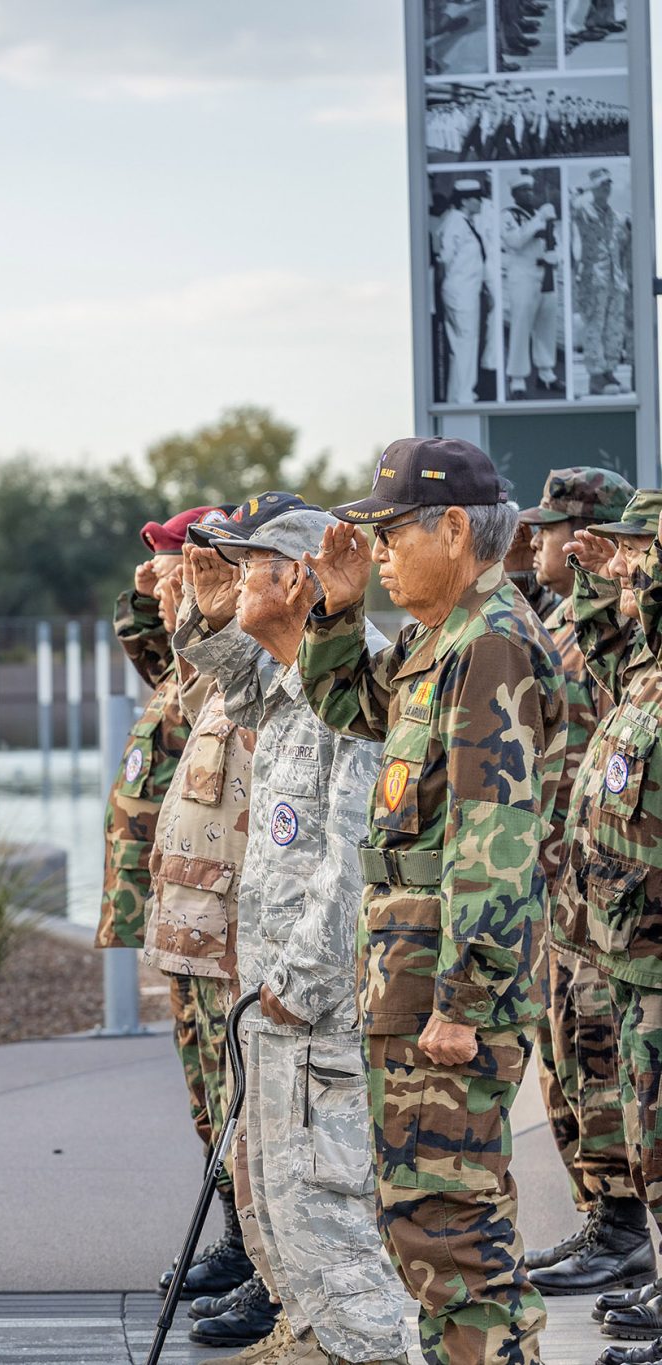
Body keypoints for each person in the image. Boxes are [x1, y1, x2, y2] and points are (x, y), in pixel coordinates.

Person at [302, 437, 565, 1365]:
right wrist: (338, 607)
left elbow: (495, 845)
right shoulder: (437, 637)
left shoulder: (491, 643)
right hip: (412, 985)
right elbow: (351, 706)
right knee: (424, 1229)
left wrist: (462, 1002)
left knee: (454, 1239)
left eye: (388, 533)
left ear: (453, 529)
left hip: (449, 996)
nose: (375, 550)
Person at [191, 503, 417, 1365]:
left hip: (314, 1002)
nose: (238, 579)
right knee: (279, 1200)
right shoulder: (296, 682)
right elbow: (235, 680)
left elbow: (357, 853)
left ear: (295, 579)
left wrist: (299, 983)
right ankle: (311, 1334)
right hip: (281, 1001)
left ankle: (361, 1348)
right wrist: (211, 608)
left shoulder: (351, 689)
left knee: (329, 1203)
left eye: (251, 567)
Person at [513, 469, 650, 1299]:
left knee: (603, 1059)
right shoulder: (553, 618)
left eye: (552, 527)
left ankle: (626, 1228)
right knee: (565, 1057)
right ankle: (602, 1215)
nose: (535, 540)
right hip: (566, 884)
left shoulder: (615, 628)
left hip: (608, 887)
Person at [104, 506, 244, 1299]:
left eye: (173, 568)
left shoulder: (224, 667)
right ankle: (234, 1235)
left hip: (215, 914)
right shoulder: (184, 671)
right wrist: (148, 593)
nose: (160, 586)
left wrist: (186, 589)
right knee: (206, 1090)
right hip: (185, 910)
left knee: (227, 1088)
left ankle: (244, 1244)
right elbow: (155, 648)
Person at [147, 509, 272, 1351]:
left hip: (241, 932)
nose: (176, 583)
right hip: (198, 929)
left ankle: (269, 1270)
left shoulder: (274, 672)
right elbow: (176, 678)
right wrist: (187, 600)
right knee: (221, 1107)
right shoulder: (221, 674)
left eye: (213, 569)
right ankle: (247, 1251)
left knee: (253, 1111)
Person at [556, 492, 662, 1362]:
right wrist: (604, 580)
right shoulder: (647, 668)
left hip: (655, 949)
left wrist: (629, 575)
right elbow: (610, 642)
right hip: (626, 944)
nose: (629, 566)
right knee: (643, 1129)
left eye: (644, 551)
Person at [573, 167, 631, 397]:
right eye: (601, 184)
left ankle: (608, 371)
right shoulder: (583, 212)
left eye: (608, 184)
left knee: (614, 327)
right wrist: (584, 189)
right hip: (593, 279)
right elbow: (569, 205)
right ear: (593, 187)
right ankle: (595, 376)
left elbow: (624, 246)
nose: (606, 188)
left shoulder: (616, 217)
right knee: (594, 326)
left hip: (615, 279)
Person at [501, 175, 560, 400]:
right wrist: (538, 221)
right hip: (522, 275)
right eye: (523, 190)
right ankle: (517, 378)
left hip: (545, 274)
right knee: (521, 325)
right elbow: (515, 241)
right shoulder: (509, 215)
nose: (529, 194)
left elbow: (554, 240)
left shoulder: (540, 215)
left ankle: (546, 373)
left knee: (547, 324)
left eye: (530, 190)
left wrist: (556, 256)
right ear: (515, 193)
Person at [437, 179, 491, 406]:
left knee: (462, 345)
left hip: (464, 289)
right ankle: (464, 396)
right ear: (466, 200)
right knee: (465, 343)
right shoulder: (455, 223)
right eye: (477, 198)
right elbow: (445, 258)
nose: (480, 202)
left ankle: (458, 394)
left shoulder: (462, 222)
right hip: (460, 291)